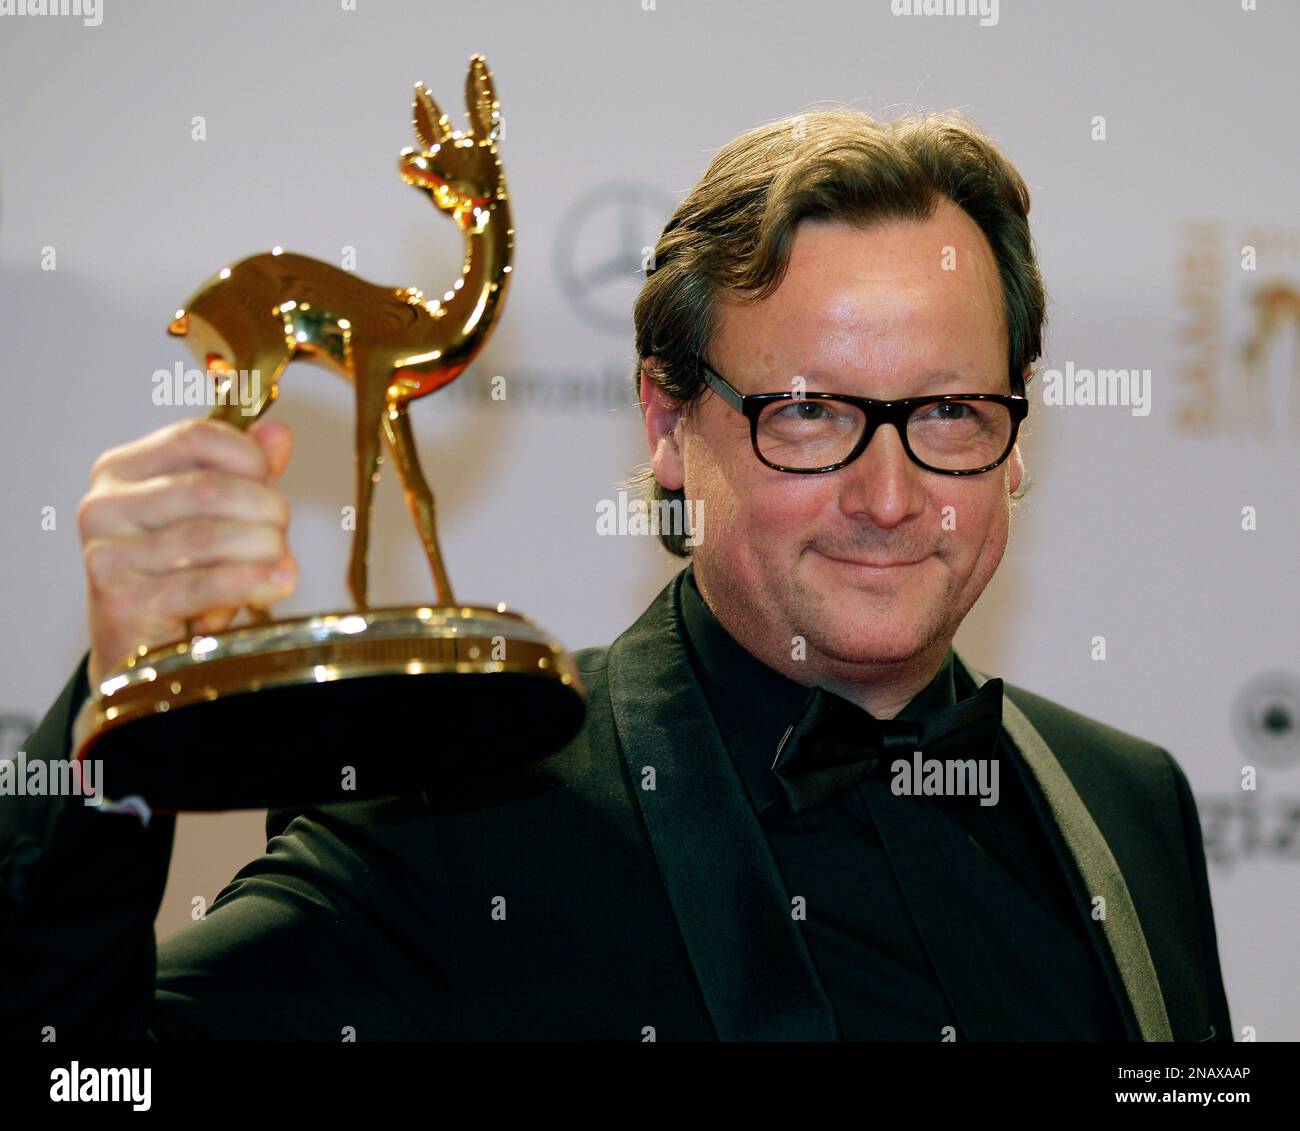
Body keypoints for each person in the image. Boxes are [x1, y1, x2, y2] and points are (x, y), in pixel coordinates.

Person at [1, 108, 1231, 1042]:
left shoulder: (1129, 806)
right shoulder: (454, 815)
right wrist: (119, 709)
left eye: (952, 411)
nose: (891, 496)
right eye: (807, 415)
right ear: (667, 424)